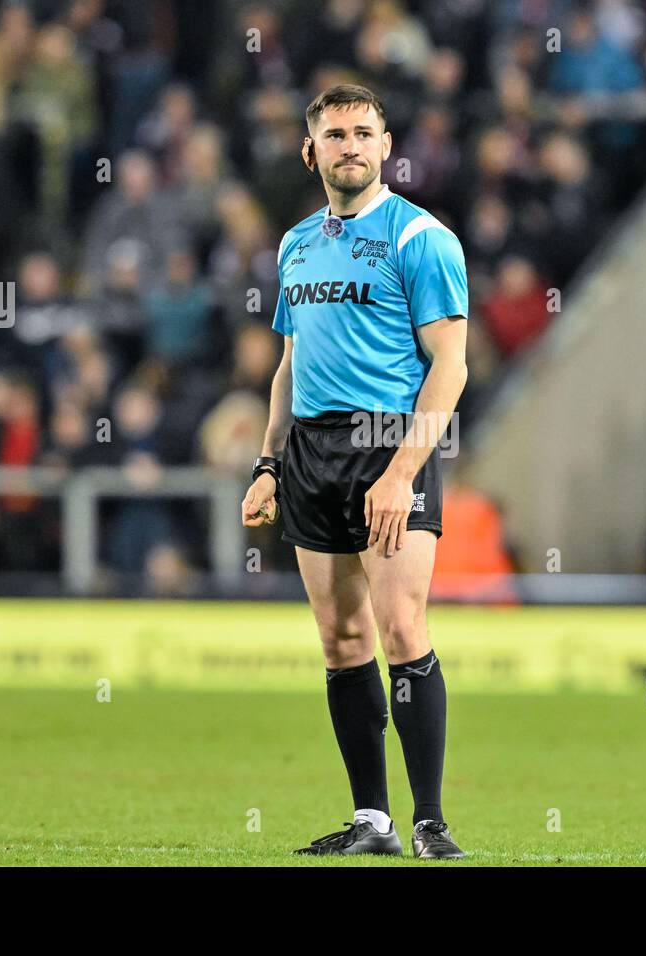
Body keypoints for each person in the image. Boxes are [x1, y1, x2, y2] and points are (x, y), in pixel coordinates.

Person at [240, 85, 468, 858]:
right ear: (312, 152)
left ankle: (431, 820)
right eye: (334, 135)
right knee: (341, 641)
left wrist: (404, 472)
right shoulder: (295, 244)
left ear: (385, 143)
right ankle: (374, 821)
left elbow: (451, 367)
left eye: (363, 133)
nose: (350, 146)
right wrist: (269, 464)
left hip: (387, 442)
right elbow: (288, 364)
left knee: (402, 627)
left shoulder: (421, 237)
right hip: (310, 449)